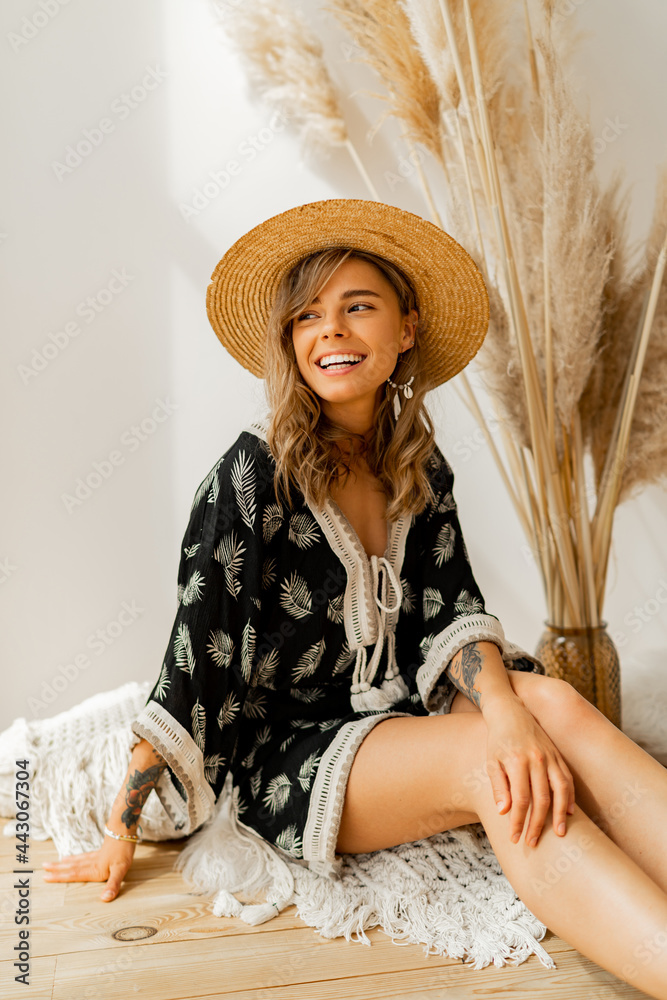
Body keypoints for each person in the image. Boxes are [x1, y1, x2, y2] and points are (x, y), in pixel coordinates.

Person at [42, 199, 667, 998]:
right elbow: (193, 659)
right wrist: (119, 830)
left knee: (560, 708)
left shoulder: (415, 462)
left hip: (403, 711)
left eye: (357, 307)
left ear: (404, 329)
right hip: (291, 755)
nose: (329, 331)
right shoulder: (250, 478)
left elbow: (452, 609)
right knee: (494, 765)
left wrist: (511, 710)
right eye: (307, 316)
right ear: (289, 343)